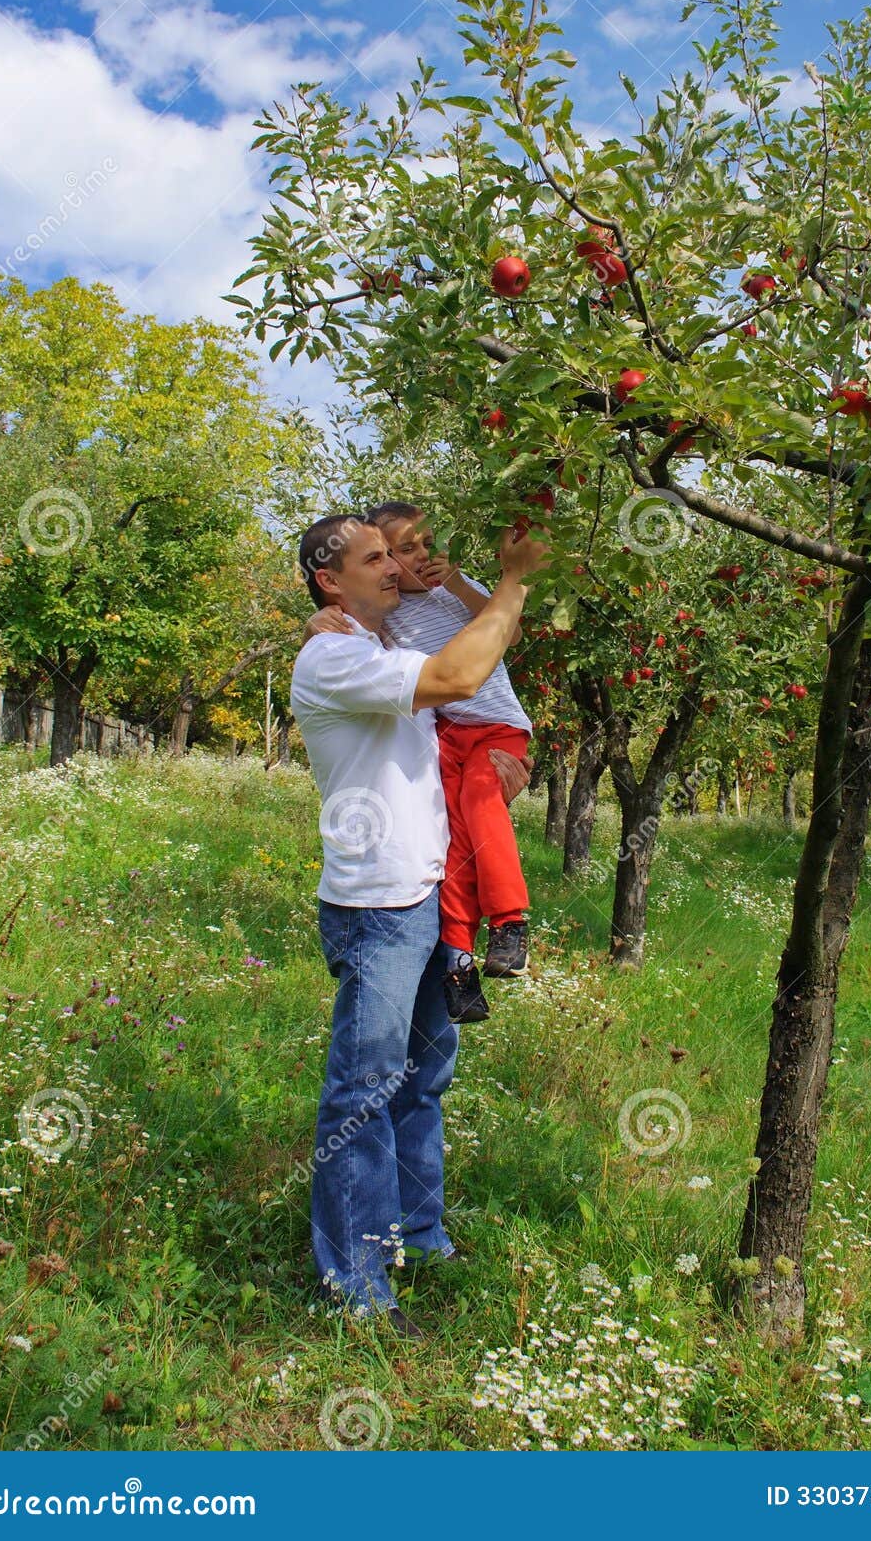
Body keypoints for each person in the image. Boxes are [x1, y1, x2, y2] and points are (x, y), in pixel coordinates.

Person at [289, 511, 544, 1339]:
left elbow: (462, 713)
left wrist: (505, 772)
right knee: (363, 1095)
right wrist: (514, 582)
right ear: (331, 581)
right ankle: (357, 1287)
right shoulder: (333, 656)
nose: (393, 568)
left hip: (435, 898)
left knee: (421, 1086)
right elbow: (461, 677)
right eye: (373, 559)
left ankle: (419, 1239)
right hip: (379, 908)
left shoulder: (382, 649)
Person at [363, 502, 534, 1022]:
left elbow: (513, 634)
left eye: (427, 542)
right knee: (454, 847)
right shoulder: (383, 613)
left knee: (484, 801)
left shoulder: (458, 589)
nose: (422, 556)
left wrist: (458, 584)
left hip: (496, 729)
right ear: (386, 560)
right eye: (405, 549)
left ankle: (509, 922)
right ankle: (459, 964)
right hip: (444, 735)